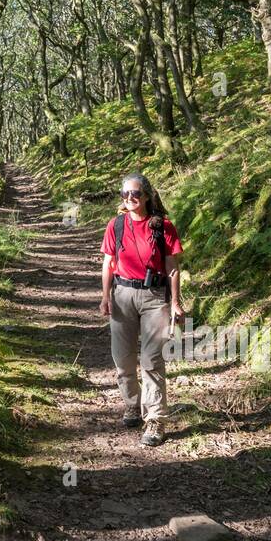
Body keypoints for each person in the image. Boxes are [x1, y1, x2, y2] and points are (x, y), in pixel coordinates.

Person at [98, 172, 185, 447]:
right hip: (122, 295)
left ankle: (155, 419)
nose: (130, 199)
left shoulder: (163, 227)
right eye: (125, 194)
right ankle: (132, 406)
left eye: (135, 194)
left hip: (154, 297)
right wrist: (105, 297)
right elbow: (108, 263)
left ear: (146, 195)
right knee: (122, 360)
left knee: (152, 360)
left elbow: (172, 268)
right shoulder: (116, 225)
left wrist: (176, 303)